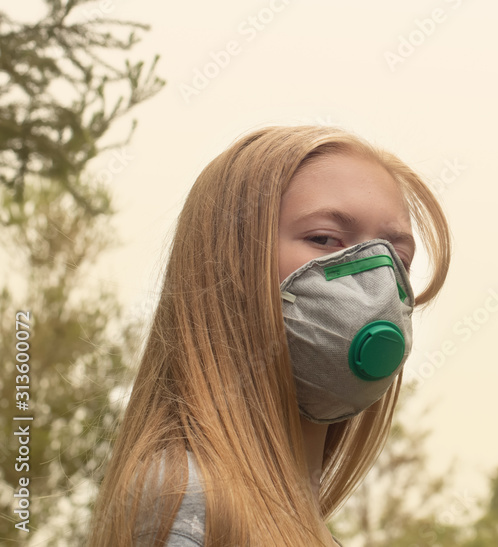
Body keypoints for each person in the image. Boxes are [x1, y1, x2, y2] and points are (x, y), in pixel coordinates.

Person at [86, 125, 451, 546]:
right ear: (228, 267)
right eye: (324, 239)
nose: (376, 284)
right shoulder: (186, 504)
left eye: (397, 257)